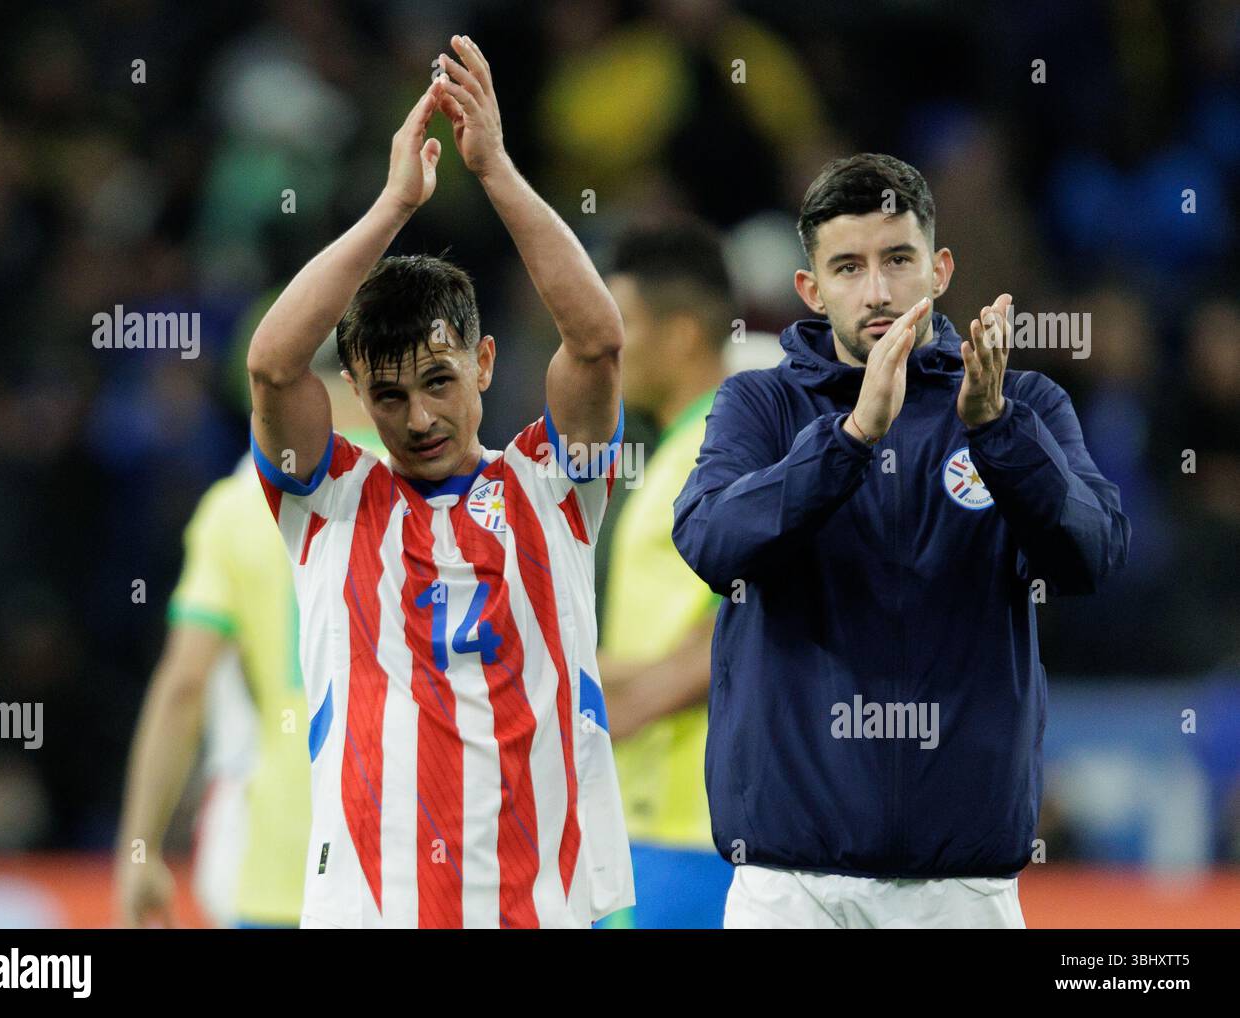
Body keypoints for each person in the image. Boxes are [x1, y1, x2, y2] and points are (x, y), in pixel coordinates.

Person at [672, 153, 1131, 929]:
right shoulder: (762, 404)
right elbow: (712, 540)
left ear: (940, 269)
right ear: (810, 291)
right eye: (848, 267)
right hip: (791, 885)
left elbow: (1090, 556)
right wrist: (849, 440)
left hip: (962, 889)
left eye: (897, 260)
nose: (878, 291)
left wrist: (997, 433)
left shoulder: (1022, 402)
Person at [245, 34, 631, 929]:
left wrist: (493, 170)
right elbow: (272, 368)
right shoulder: (330, 501)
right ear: (357, 396)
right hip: (371, 910)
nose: (417, 418)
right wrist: (391, 205)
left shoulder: (552, 486)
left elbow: (599, 340)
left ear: (486, 363)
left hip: (541, 905)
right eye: (387, 394)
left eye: (437, 381)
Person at [115, 346, 385, 929]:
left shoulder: (236, 508)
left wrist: (140, 848)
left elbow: (184, 685)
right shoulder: (438, 485)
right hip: (423, 859)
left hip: (286, 861)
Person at [596, 220, 734, 928]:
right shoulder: (675, 448)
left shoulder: (725, 450)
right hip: (646, 812)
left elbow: (736, 630)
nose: (608, 342)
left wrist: (603, 712)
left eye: (624, 322)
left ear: (682, 334)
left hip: (694, 823)